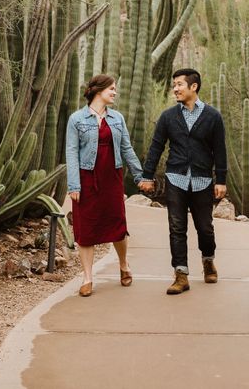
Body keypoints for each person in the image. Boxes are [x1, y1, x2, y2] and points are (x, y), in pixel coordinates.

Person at [140, 68, 227, 295]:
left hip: (202, 180)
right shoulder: (168, 116)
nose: (175, 89)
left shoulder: (213, 116)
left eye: (179, 84)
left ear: (193, 86)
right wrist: (147, 176)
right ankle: (181, 275)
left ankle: (208, 260)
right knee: (177, 228)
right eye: (174, 85)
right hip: (175, 179)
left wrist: (221, 180)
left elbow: (220, 150)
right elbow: (156, 147)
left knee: (205, 228)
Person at [65, 74, 147, 297]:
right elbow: (71, 152)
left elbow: (127, 149)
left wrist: (140, 176)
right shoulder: (76, 119)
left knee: (117, 225)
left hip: (112, 177)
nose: (114, 92)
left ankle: (124, 264)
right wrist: (74, 185)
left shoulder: (117, 118)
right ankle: (87, 278)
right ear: (98, 91)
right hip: (86, 178)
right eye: (111, 89)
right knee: (86, 228)